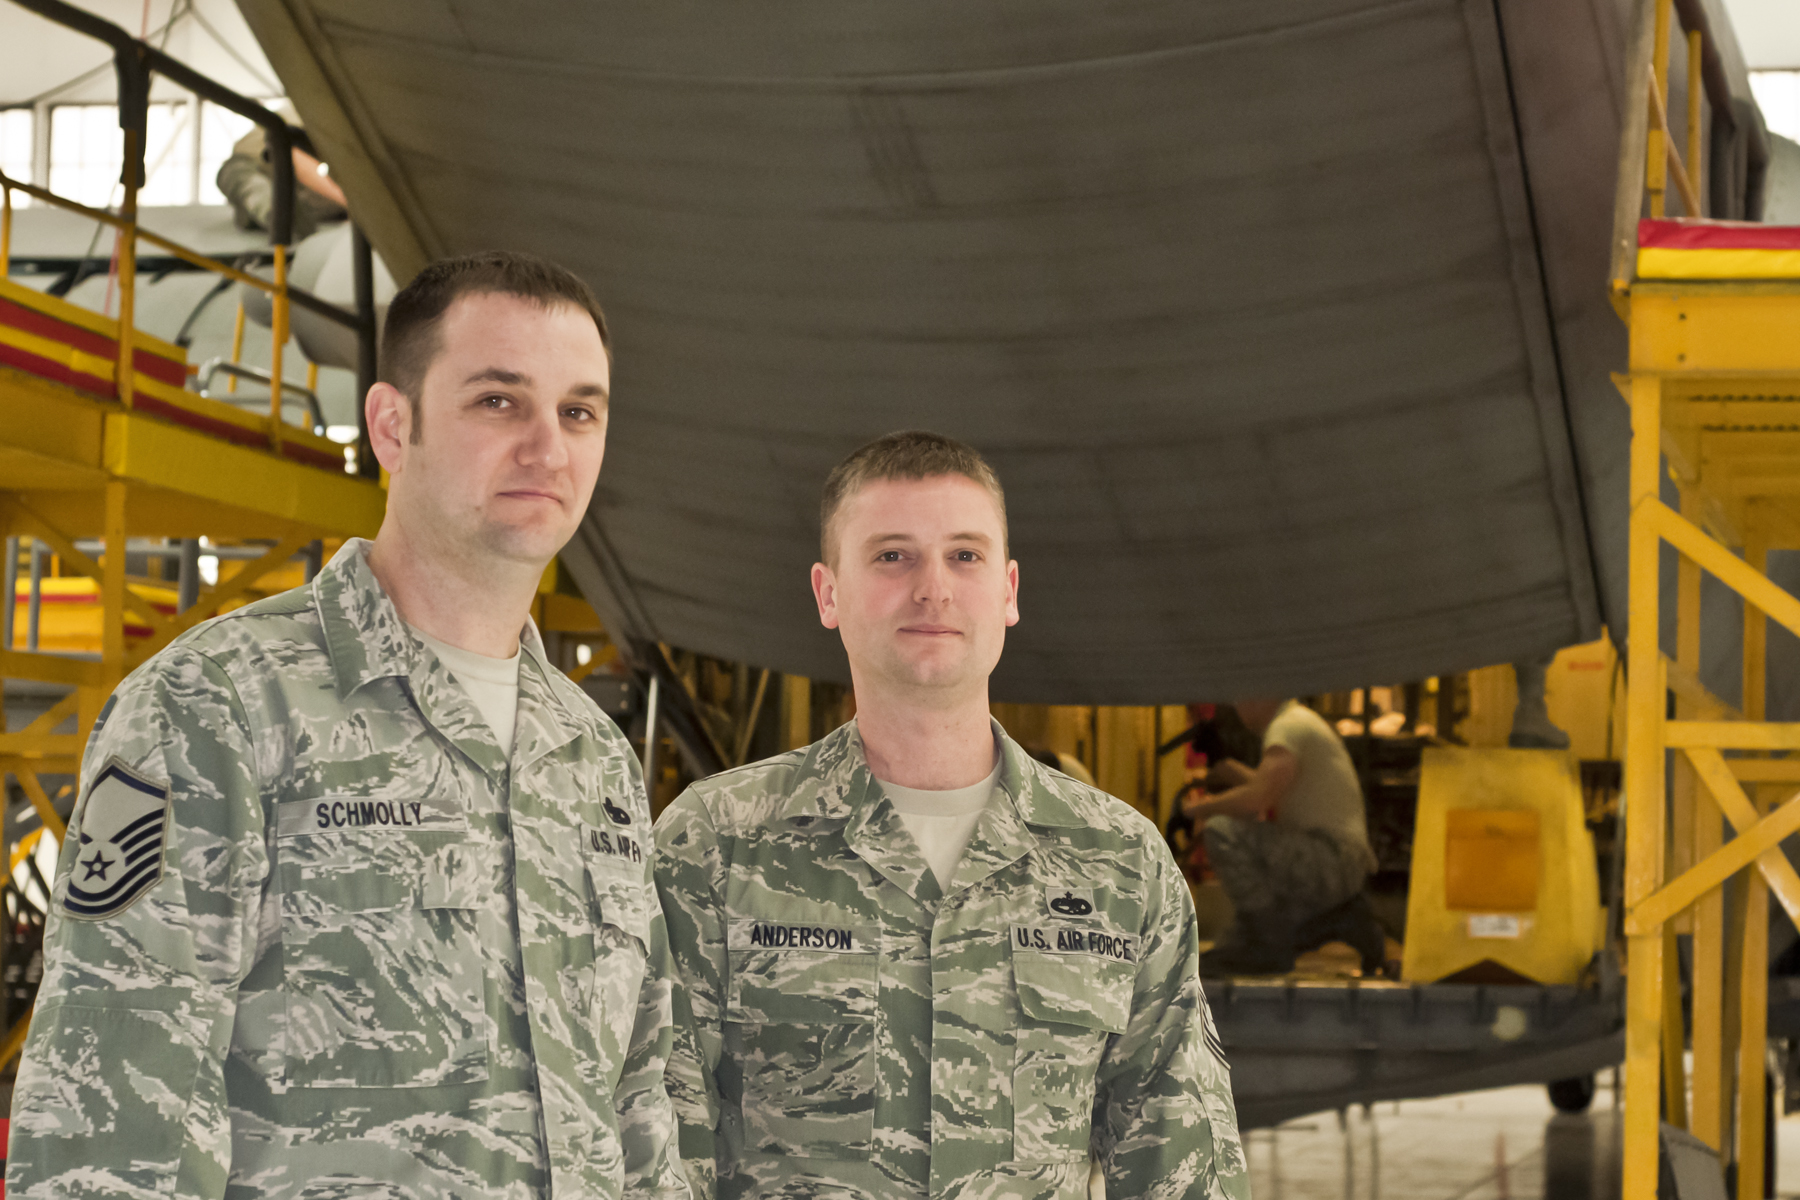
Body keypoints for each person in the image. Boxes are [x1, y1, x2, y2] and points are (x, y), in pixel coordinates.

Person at [8, 252, 688, 1200]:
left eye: (579, 412)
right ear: (391, 427)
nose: (548, 448)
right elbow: (108, 1121)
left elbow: (640, 1106)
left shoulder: (592, 759)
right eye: (499, 401)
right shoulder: (216, 707)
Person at [654, 431, 1247, 1200]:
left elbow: (1183, 1165)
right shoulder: (716, 846)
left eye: (964, 555)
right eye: (892, 556)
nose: (933, 588)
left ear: (1008, 590)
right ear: (828, 593)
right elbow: (653, 1145)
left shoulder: (1118, 863)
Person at [1182, 698, 1384, 976]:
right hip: (1338, 861)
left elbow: (1258, 800)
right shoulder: (1299, 721)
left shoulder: (1287, 727)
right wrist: (1224, 765)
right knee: (1235, 936)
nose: (1238, 707)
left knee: (1221, 831)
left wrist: (1197, 809)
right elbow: (1268, 786)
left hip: (1329, 859)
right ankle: (1338, 918)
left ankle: (1266, 942)